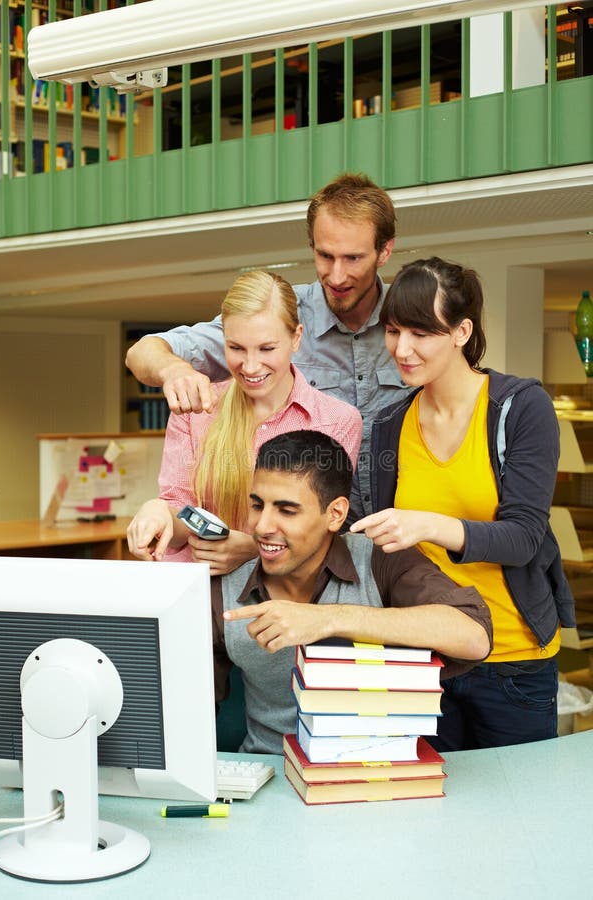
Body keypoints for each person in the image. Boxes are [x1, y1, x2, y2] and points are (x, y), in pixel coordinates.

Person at [349, 256, 576, 752]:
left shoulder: (521, 409)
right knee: (429, 814)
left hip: (513, 659)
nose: (401, 349)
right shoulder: (390, 424)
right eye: (392, 331)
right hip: (425, 657)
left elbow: (523, 539)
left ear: (461, 331)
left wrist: (429, 525)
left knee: (516, 817)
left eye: (420, 333)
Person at [125, 172, 410, 522]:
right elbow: (143, 352)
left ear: (385, 251)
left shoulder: (411, 323)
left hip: (394, 534)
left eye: (353, 258)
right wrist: (175, 370)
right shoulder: (276, 318)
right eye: (325, 256)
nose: (336, 276)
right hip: (303, 546)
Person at [212, 430, 493, 755]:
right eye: (257, 505)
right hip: (268, 776)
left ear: (335, 514)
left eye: (287, 511)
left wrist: (328, 620)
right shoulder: (224, 587)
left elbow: (473, 637)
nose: (262, 526)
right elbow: (187, 709)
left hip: (374, 780)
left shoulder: (381, 560)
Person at [126, 270, 362, 574]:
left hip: (285, 600)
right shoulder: (197, 409)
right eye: (236, 348)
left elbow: (325, 533)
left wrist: (253, 550)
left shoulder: (337, 421)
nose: (250, 366)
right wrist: (159, 513)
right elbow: (181, 511)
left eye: (267, 348)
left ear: (296, 338)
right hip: (197, 594)